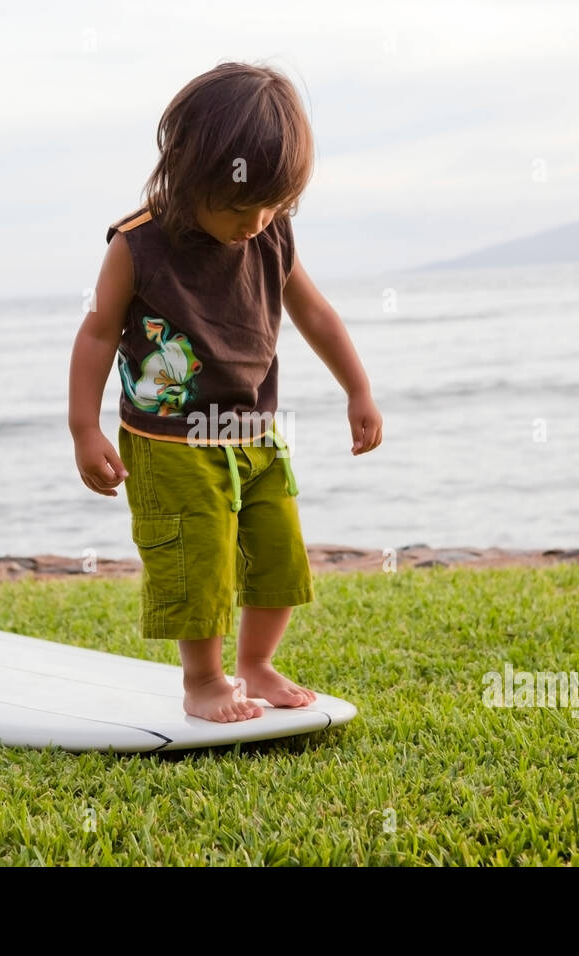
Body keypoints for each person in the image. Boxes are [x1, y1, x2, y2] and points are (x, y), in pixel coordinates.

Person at [67, 61, 382, 723]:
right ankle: (204, 681)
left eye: (274, 203)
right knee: (197, 560)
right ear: (190, 172)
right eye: (240, 204)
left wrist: (357, 390)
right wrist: (84, 429)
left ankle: (256, 663)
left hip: (253, 433)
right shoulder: (137, 244)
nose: (256, 220)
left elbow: (316, 314)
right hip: (170, 440)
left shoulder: (270, 232)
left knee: (277, 551)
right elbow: (96, 333)